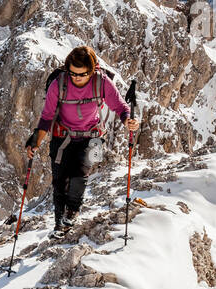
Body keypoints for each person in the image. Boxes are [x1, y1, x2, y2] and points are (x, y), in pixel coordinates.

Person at [25, 45, 139, 235]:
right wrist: (35, 141)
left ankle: (72, 213)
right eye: (72, 73)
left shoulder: (101, 82)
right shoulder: (59, 84)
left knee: (80, 173)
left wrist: (128, 120)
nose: (76, 78)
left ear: (92, 70)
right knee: (59, 182)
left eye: (82, 74)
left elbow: (120, 106)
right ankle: (59, 225)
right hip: (62, 137)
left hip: (93, 136)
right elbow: (46, 117)